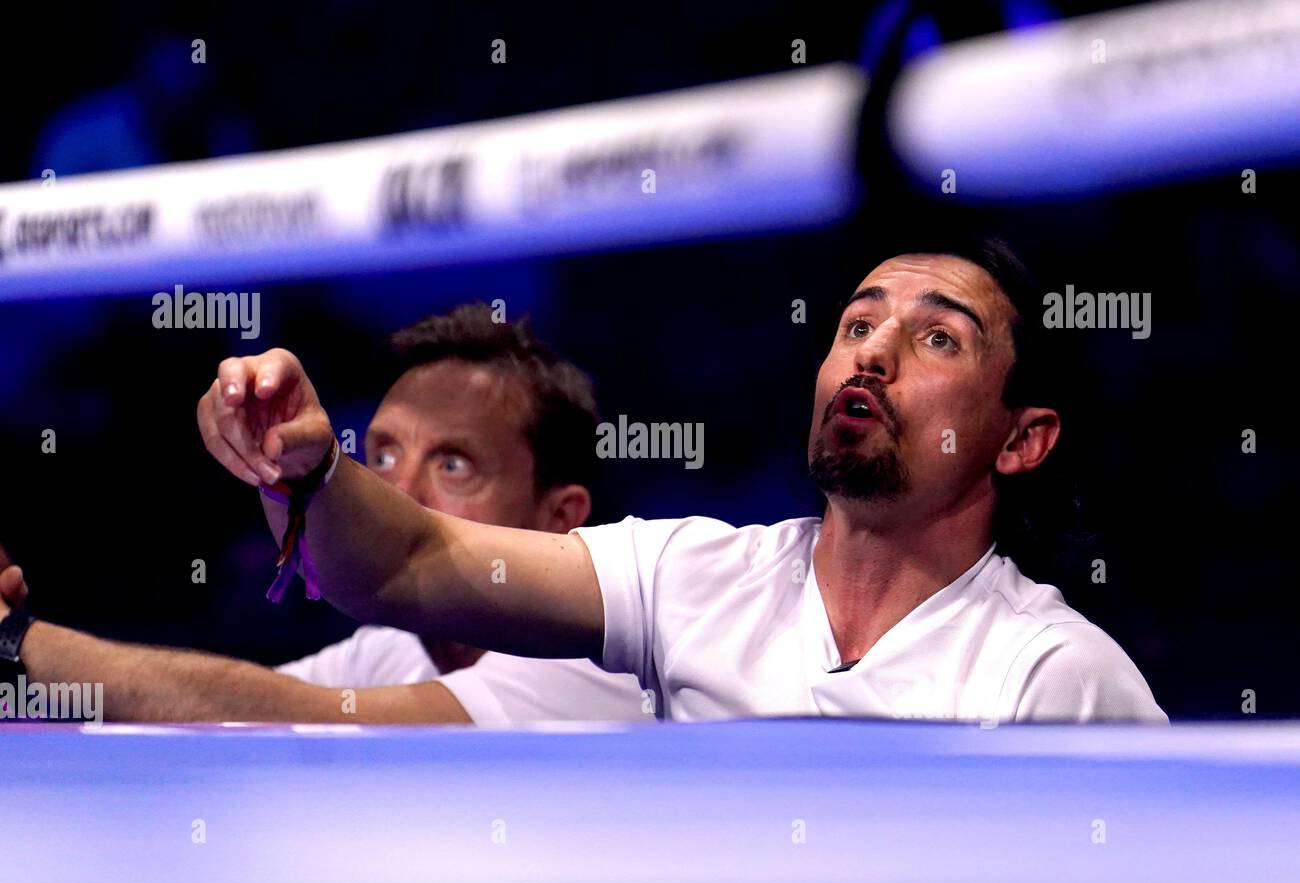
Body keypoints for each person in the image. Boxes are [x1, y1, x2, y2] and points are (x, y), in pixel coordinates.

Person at [181, 236, 1166, 724]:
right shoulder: (690, 575)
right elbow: (406, 562)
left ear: (1022, 439)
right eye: (856, 326)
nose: (872, 355)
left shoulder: (1052, 676)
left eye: (935, 337)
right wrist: (306, 464)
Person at [0, 305, 650, 725]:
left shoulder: (593, 668)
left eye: (454, 465)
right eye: (382, 456)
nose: (398, 492)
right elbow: (195, 722)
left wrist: (14, 641)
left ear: (559, 517)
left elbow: (291, 715)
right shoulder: (393, 651)